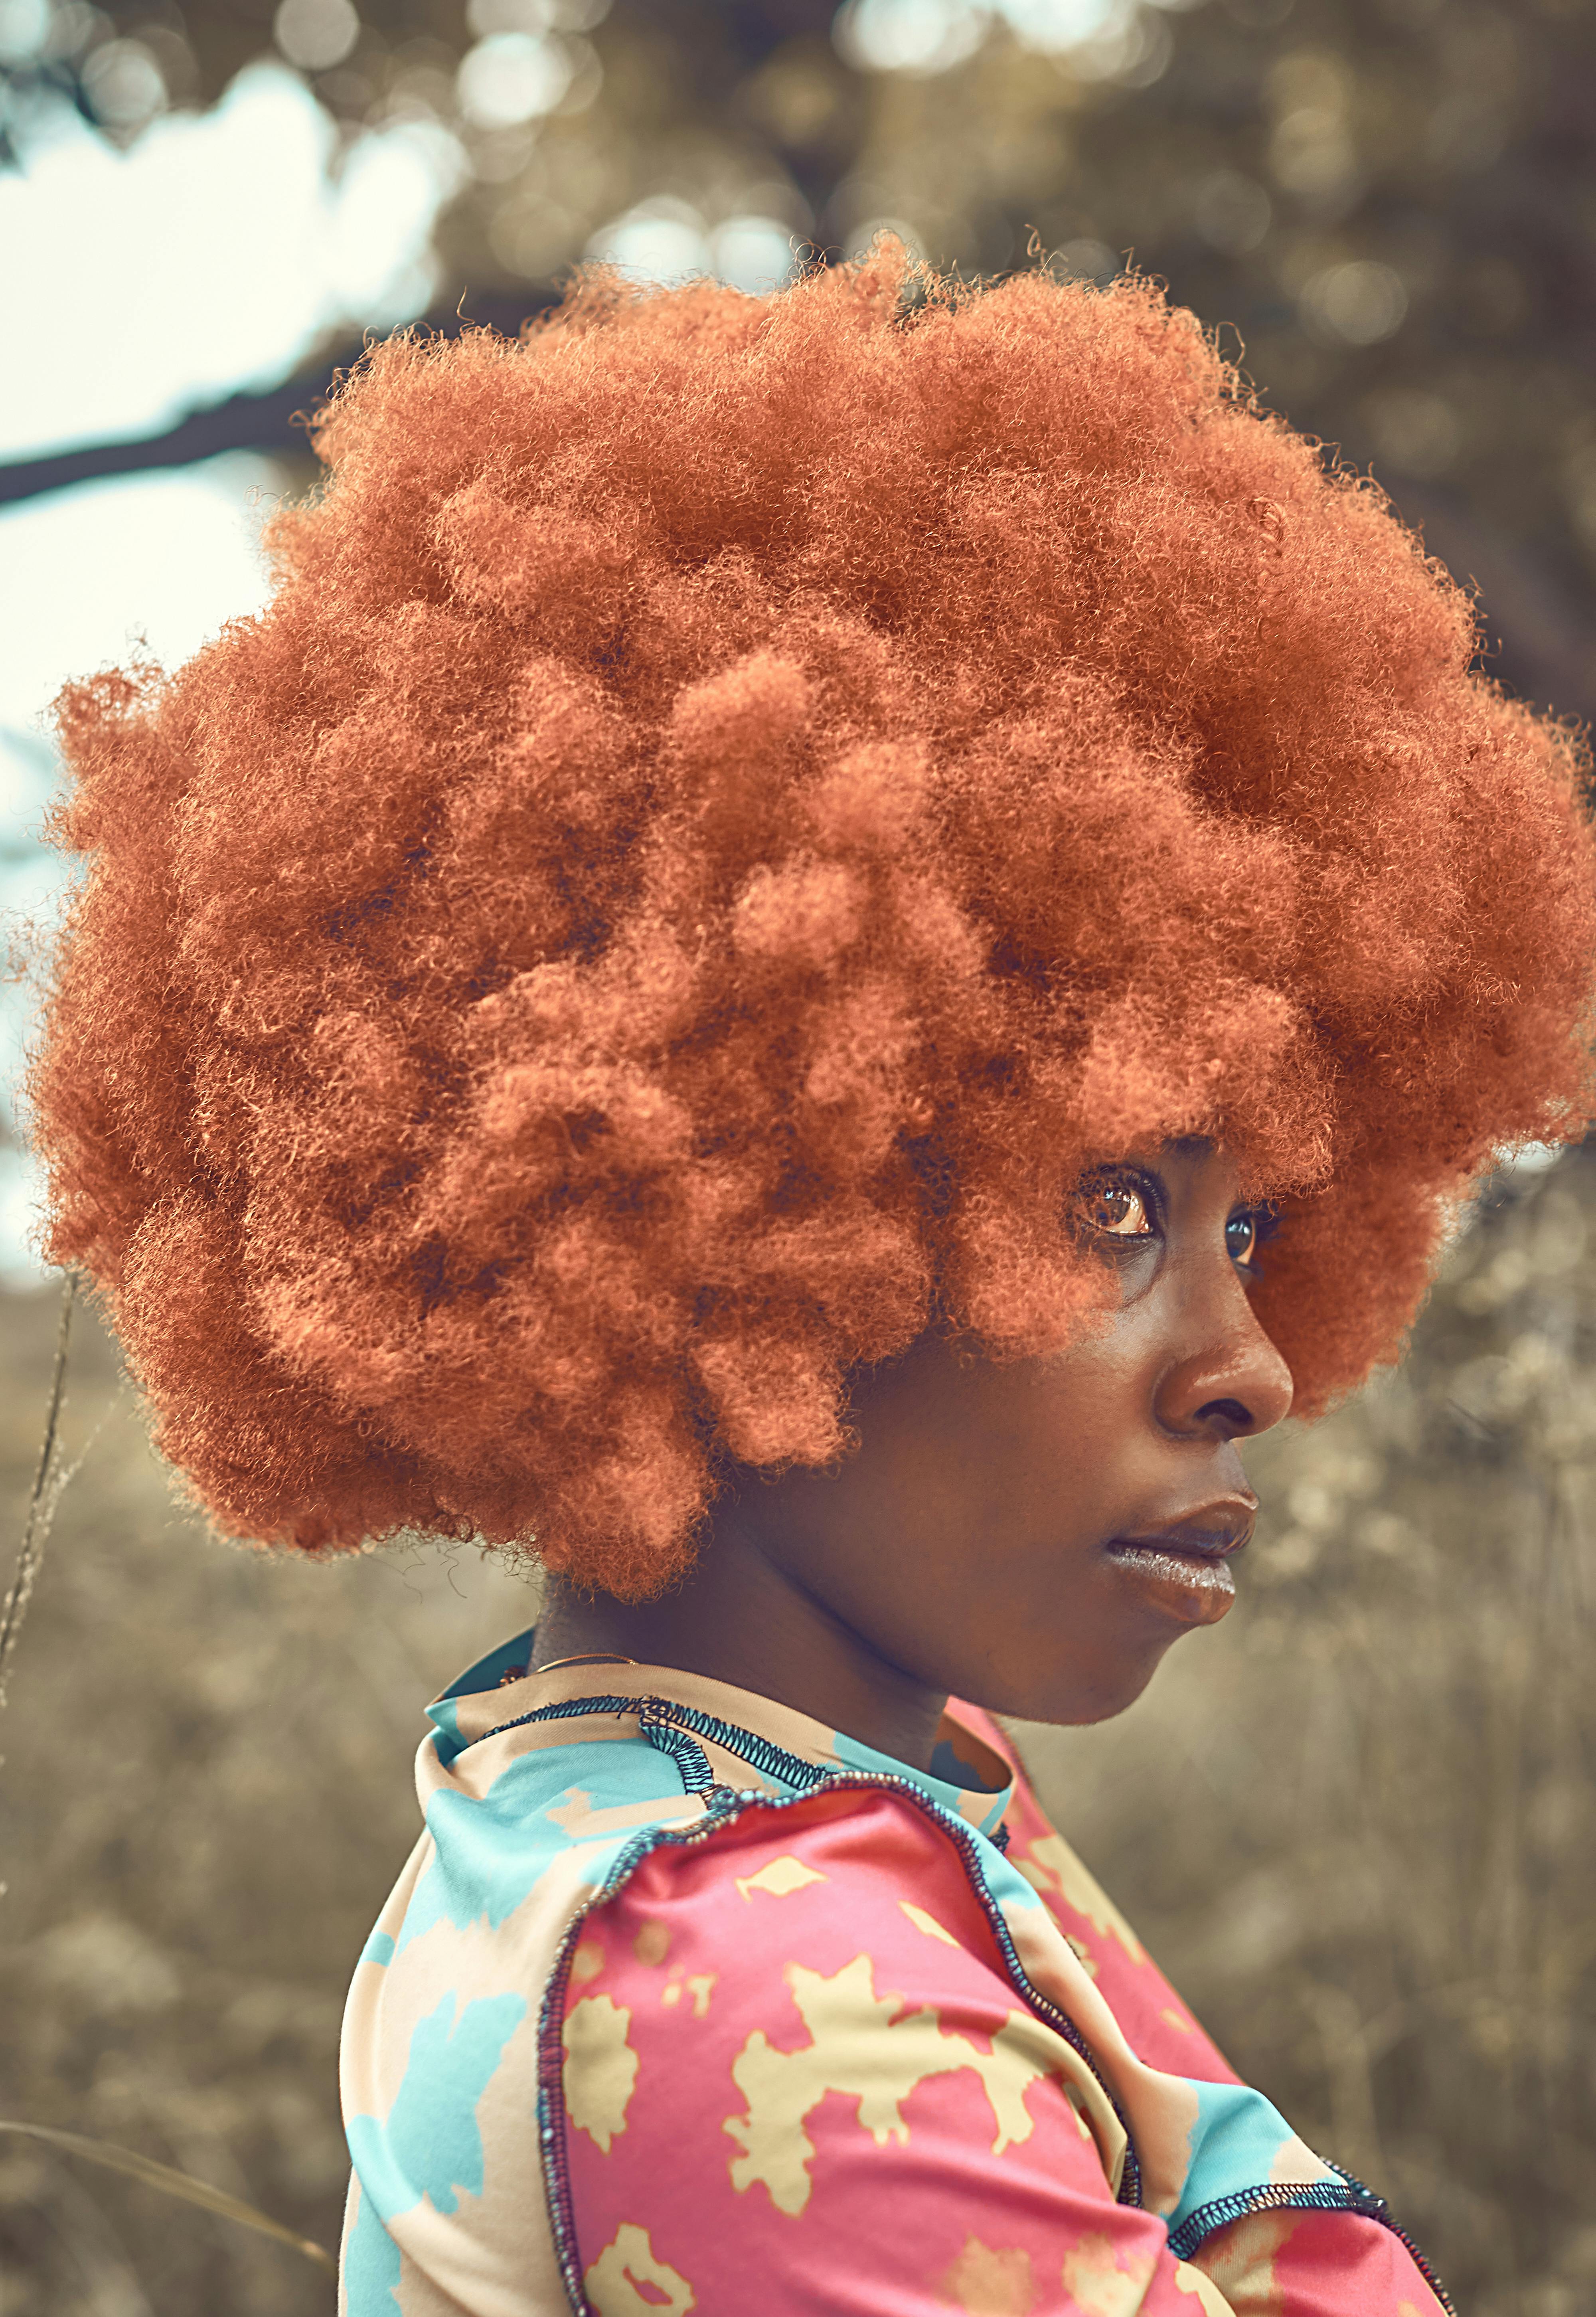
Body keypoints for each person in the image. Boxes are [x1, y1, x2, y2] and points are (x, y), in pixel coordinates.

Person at [27, 243, 1596, 2313]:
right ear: (722, 1217)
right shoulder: (753, 1999)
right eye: (1113, 1212)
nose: (1255, 1370)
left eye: (1258, 1230)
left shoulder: (624, 1793)